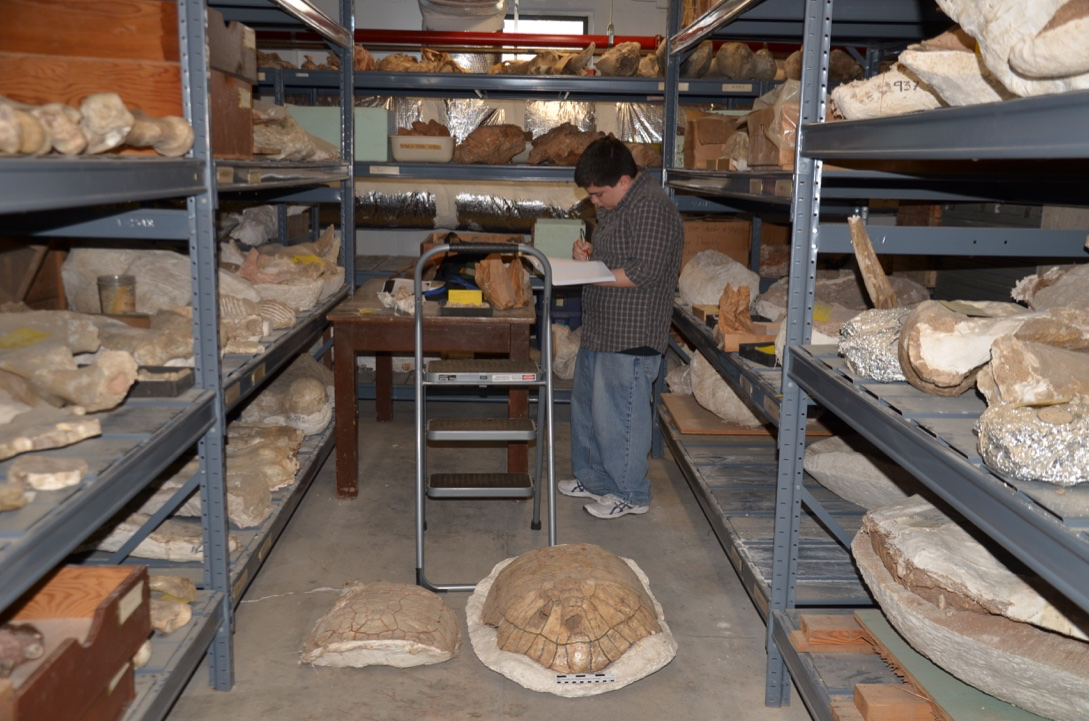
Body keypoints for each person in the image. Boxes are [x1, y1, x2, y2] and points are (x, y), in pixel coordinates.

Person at [559, 136, 683, 519]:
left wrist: (590, 274)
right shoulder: (620, 203)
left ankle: (629, 493)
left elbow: (644, 271)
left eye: (599, 194)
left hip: (632, 333)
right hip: (602, 328)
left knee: (620, 417)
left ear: (624, 181)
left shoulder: (651, 207)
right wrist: (588, 255)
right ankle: (595, 480)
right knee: (589, 411)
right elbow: (619, 254)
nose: (595, 201)